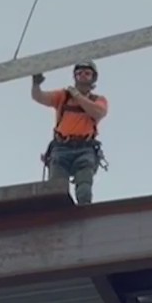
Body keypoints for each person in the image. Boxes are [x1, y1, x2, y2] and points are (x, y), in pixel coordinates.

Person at [31, 60, 109, 204]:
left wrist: (78, 96)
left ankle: (84, 217)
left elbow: (97, 112)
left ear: (93, 77)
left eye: (87, 73)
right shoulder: (64, 97)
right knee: (56, 192)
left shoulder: (98, 100)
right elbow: (39, 97)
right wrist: (36, 84)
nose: (83, 76)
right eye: (79, 73)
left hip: (85, 149)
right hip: (61, 148)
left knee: (84, 189)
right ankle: (58, 219)